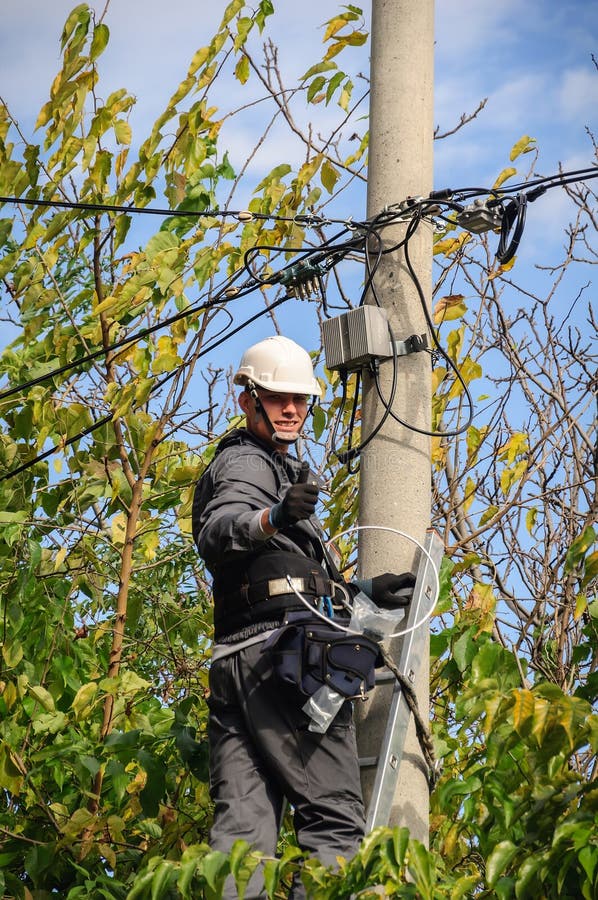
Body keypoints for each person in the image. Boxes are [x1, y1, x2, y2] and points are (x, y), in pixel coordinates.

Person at [192, 335, 415, 899]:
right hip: (285, 662)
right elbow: (220, 534)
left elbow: (283, 577)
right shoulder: (246, 461)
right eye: (277, 398)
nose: (291, 409)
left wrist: (359, 590)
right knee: (336, 823)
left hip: (237, 664)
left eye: (300, 399)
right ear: (248, 400)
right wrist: (270, 514)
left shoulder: (271, 465)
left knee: (242, 839)